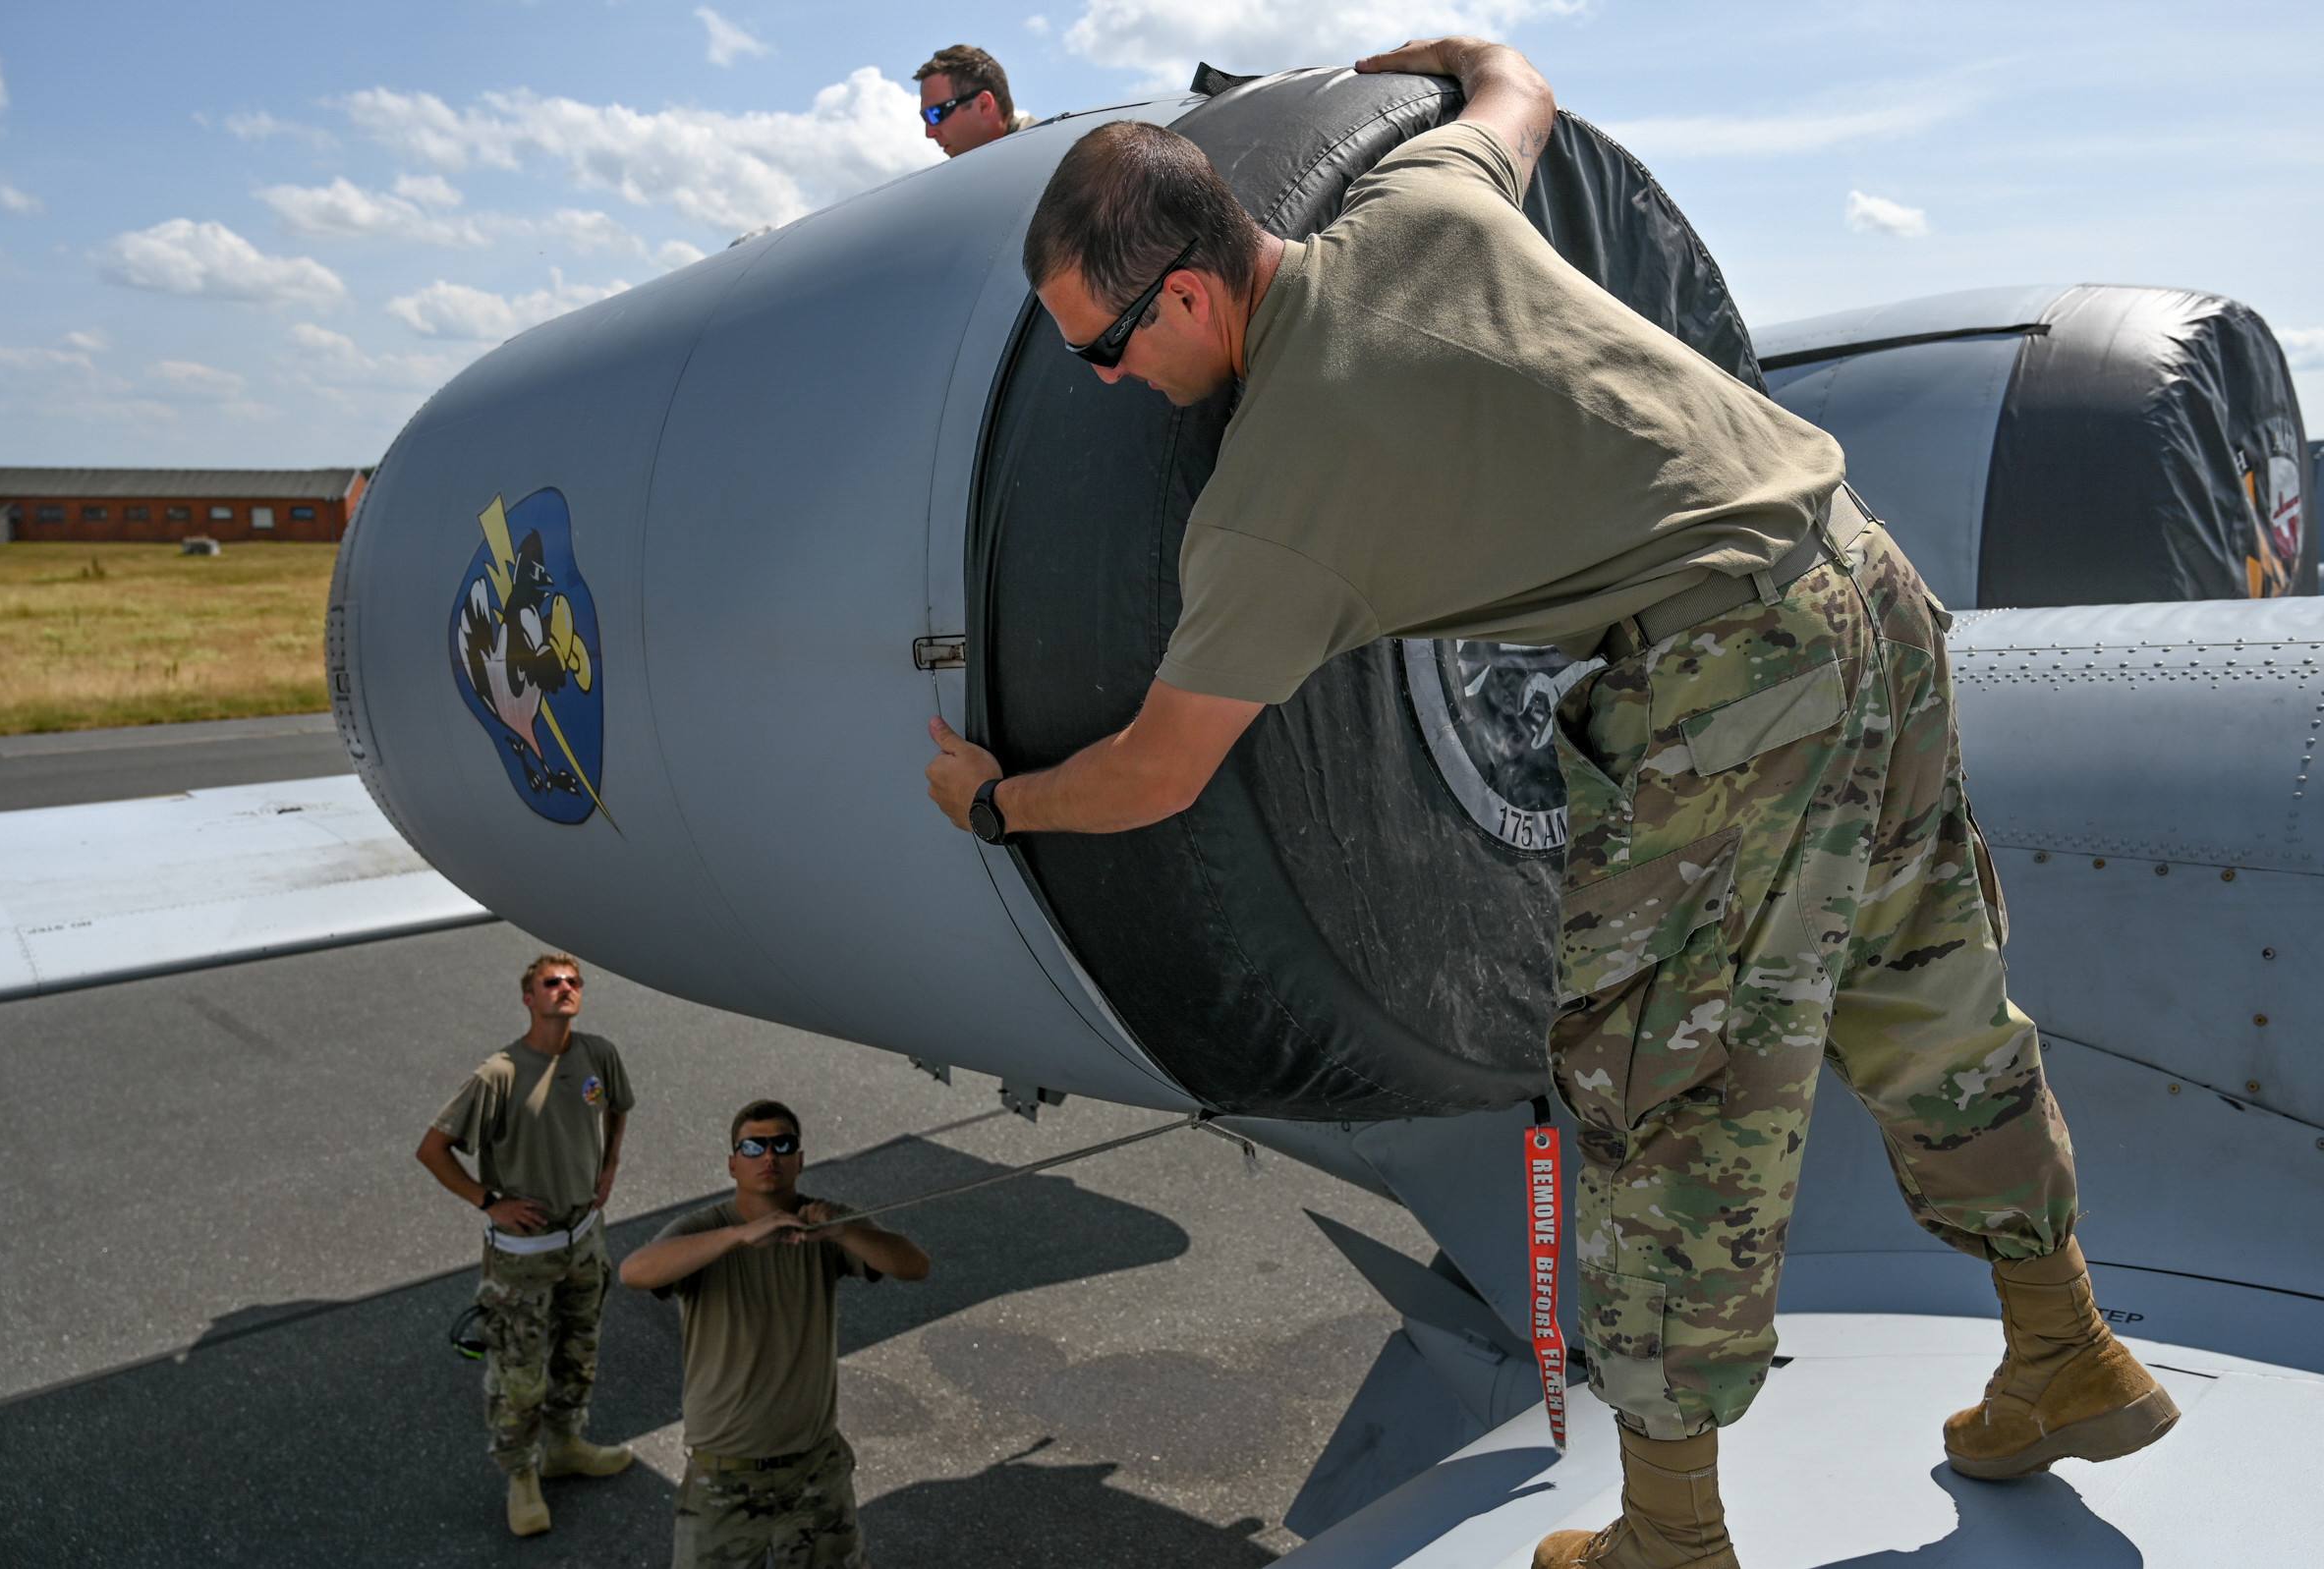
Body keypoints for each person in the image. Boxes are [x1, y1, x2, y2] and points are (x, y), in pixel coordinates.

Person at [920, 34, 2178, 1569]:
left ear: (1185, 294)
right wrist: (1434, 52)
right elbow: (1514, 85)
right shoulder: (1421, 200)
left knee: (1673, 1102)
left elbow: (1158, 768)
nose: (1106, 383)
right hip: (1864, 581)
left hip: (1731, 678)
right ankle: (2065, 1343)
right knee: (1927, 984)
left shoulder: (1273, 501)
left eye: (1103, 349)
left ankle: (1670, 1535)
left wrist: (998, 803)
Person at [619, 1099, 930, 1569]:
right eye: (753, 1147)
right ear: (733, 1164)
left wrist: (844, 1233)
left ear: (800, 1159)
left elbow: (914, 1265)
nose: (769, 1156)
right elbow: (634, 1271)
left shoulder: (825, 1223)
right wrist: (738, 1237)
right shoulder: (704, 1229)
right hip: (724, 1478)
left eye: (783, 1145)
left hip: (815, 1470)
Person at [417, 953, 638, 1538]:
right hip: (524, 1256)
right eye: (551, 982)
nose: (565, 988)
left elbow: (618, 1106)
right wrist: (489, 1201)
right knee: (520, 1372)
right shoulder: (500, 1074)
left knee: (578, 1352)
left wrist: (610, 1165)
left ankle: (565, 1446)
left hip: (583, 1240)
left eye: (573, 981)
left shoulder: (598, 1055)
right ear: (529, 998)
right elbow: (433, 1149)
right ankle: (521, 1477)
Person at [913, 44, 1036, 158]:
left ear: (984, 105)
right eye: (925, 117)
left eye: (935, 114)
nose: (929, 133)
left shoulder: (1041, 154)